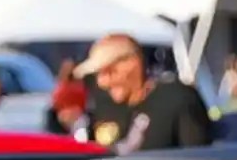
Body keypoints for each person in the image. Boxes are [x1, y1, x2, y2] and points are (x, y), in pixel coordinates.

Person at [74, 33, 212, 153]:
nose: (102, 82)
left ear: (134, 63)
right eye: (99, 74)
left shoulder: (177, 99)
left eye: (110, 71)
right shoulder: (104, 106)